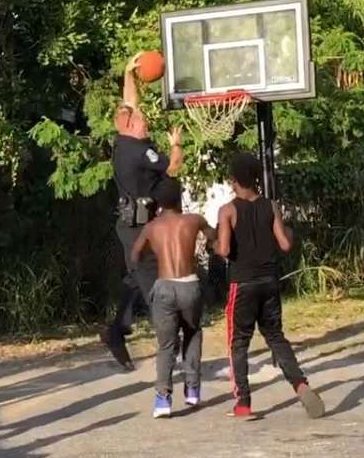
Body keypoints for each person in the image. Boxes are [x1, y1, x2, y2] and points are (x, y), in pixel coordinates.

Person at [215, 153, 325, 420]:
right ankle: (300, 384)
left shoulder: (228, 210)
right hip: (269, 280)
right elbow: (285, 244)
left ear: (232, 180)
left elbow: (226, 250)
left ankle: (243, 403)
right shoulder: (270, 206)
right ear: (255, 178)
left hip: (242, 283)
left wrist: (214, 243)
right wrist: (289, 232)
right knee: (275, 336)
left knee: (238, 342)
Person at [101, 52, 185, 370]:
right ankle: (170, 344)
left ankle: (115, 332)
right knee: (154, 284)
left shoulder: (122, 142)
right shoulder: (141, 151)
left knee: (137, 279)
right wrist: (176, 143)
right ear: (133, 126)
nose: (144, 117)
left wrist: (129, 74)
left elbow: (130, 105)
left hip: (133, 224)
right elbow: (174, 167)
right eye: (140, 118)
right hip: (140, 228)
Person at [131, 178, 214, 418]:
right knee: (193, 332)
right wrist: (208, 244)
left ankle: (163, 400)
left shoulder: (151, 228)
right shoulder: (194, 220)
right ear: (180, 198)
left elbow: (135, 255)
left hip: (164, 286)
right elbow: (214, 236)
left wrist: (153, 254)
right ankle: (192, 389)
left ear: (158, 203)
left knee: (166, 344)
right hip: (189, 284)